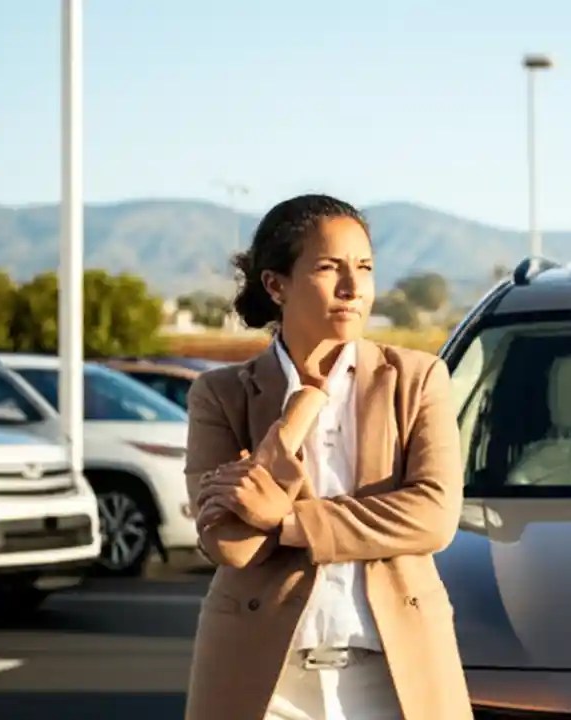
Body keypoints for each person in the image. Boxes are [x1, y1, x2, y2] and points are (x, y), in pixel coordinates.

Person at [182, 194, 471, 720]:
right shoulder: (219, 396)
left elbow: (432, 516)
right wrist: (300, 410)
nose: (352, 288)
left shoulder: (417, 379)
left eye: (364, 268)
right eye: (328, 268)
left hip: (394, 676)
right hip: (265, 683)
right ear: (276, 285)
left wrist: (288, 522)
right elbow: (230, 543)